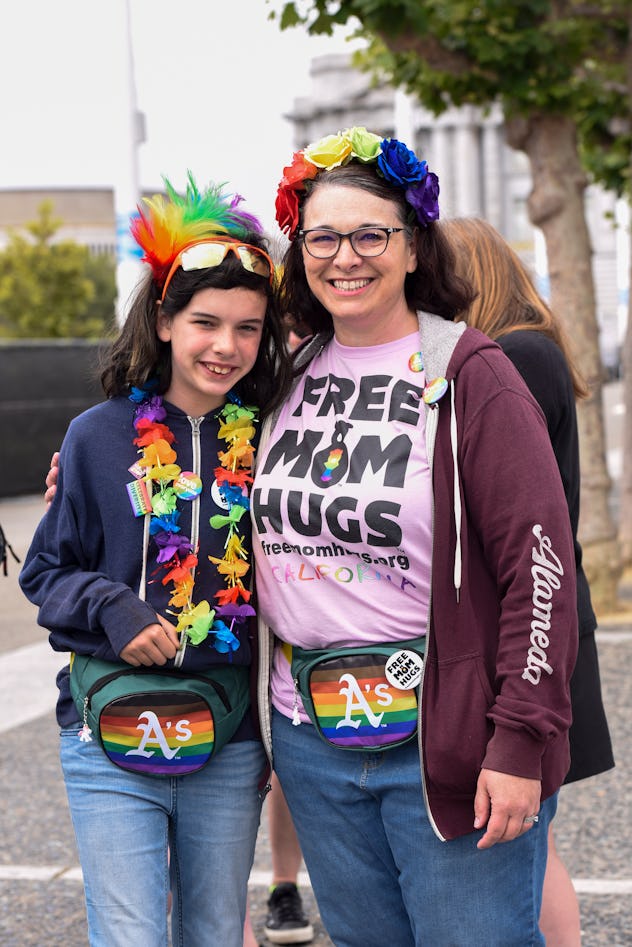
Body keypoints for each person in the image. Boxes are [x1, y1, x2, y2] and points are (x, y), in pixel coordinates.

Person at [250, 126, 580, 946]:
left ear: (410, 247)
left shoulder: (473, 373)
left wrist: (520, 738)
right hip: (313, 740)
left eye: (371, 234)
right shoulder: (281, 378)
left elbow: (542, 568)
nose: (345, 256)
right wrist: (87, 469)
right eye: (322, 237)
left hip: (449, 737)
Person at [19, 174, 292, 947]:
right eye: (206, 321)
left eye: (248, 328)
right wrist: (114, 608)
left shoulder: (277, 436)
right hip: (109, 731)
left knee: (212, 932)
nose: (227, 345)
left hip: (230, 740)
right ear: (166, 320)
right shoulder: (97, 435)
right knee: (132, 936)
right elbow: (45, 571)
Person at [441, 215, 615, 946]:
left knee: (525, 836)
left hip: (539, 615)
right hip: (546, 608)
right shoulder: (531, 348)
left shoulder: (514, 355)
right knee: (530, 837)